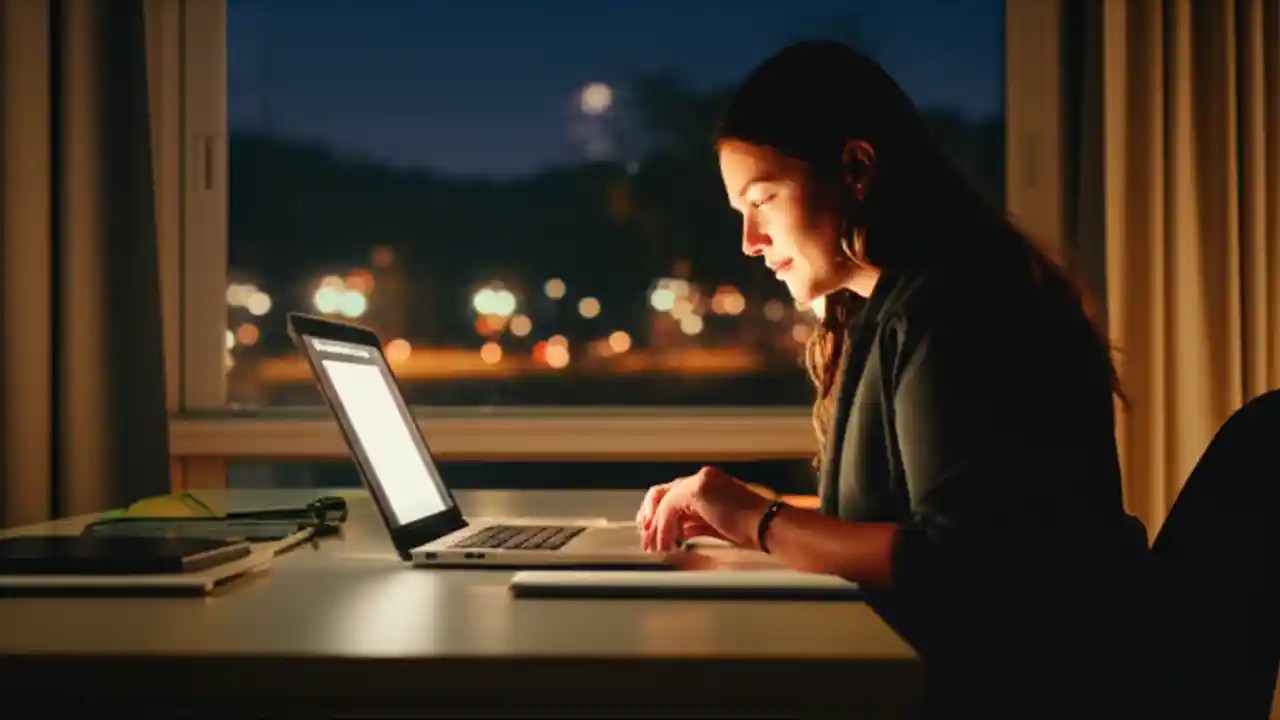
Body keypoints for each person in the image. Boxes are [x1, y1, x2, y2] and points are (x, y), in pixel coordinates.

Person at [634, 41, 1157, 717]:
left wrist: (760, 521)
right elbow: (900, 524)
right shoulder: (907, 304)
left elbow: (953, 560)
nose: (750, 241)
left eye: (762, 198)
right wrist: (742, 512)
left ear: (855, 169)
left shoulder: (959, 308)